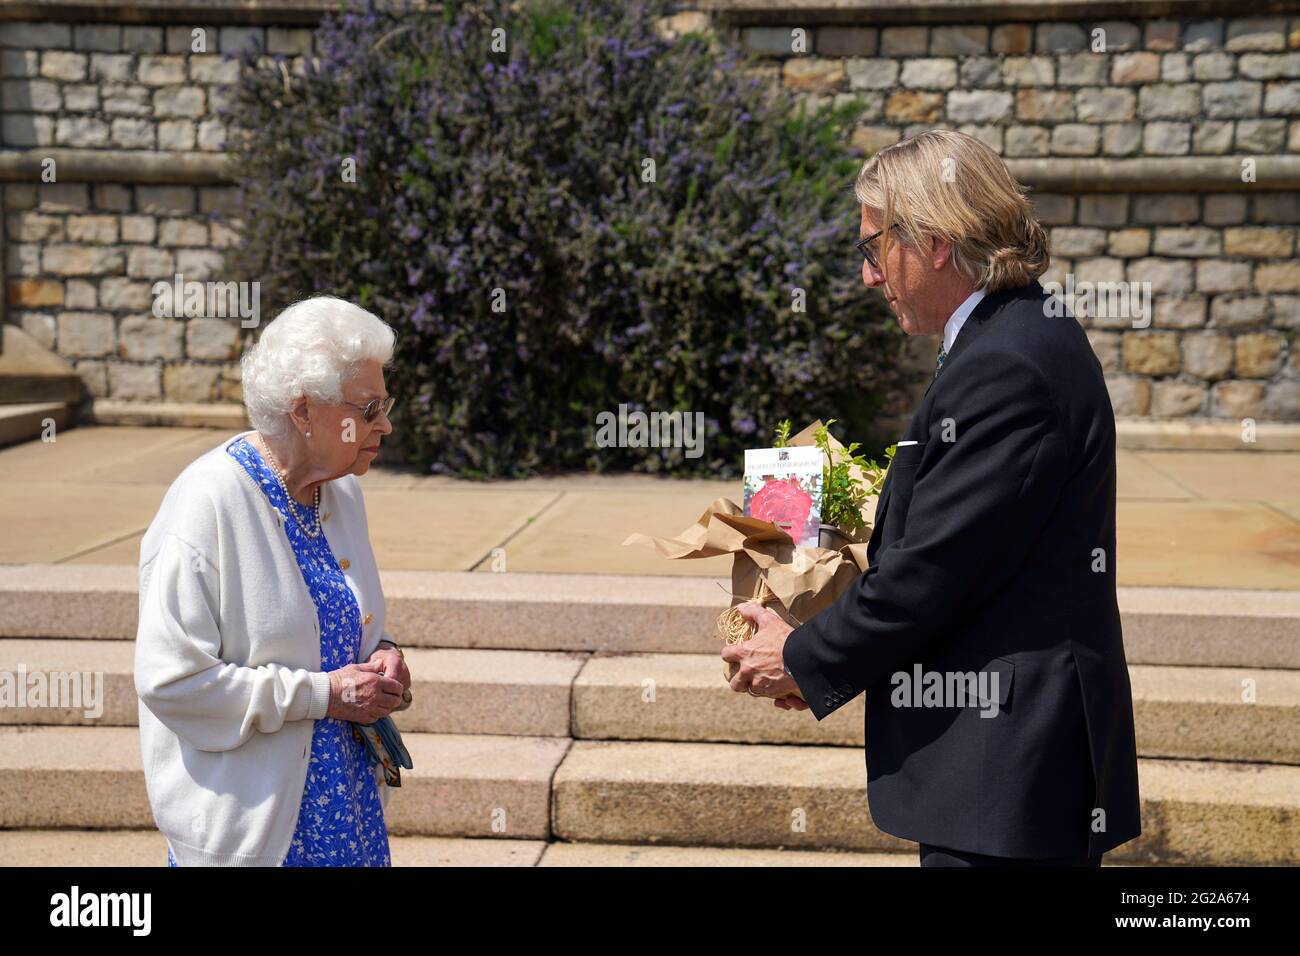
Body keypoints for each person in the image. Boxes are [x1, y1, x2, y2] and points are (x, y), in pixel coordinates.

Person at [723, 129, 1141, 867]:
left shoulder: (1006, 364)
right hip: (1002, 761)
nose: (868, 276)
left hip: (1006, 770)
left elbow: (932, 574)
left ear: (936, 241)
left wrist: (803, 655)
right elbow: (959, 549)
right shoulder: (1012, 337)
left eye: (872, 248)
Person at [134, 295, 411, 866]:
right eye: (368, 406)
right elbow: (171, 682)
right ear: (304, 410)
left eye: (386, 402)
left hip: (348, 815)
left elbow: (336, 624)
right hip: (254, 835)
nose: (384, 422)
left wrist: (381, 653)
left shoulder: (340, 489)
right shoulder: (207, 502)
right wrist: (323, 694)